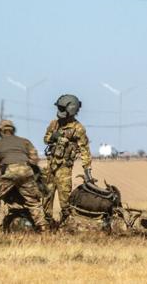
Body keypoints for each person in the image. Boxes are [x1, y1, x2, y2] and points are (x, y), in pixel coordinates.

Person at [0, 119, 49, 232]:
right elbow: (34, 159)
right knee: (33, 201)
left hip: (9, 172)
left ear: (0, 131)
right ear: (13, 130)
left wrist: (0, 179)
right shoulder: (24, 141)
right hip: (26, 170)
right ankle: (43, 228)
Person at [43, 94, 92, 224]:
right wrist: (53, 137)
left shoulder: (78, 128)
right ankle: (47, 226)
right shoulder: (54, 124)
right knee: (46, 197)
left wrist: (87, 171)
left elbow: (84, 150)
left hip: (64, 168)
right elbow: (45, 139)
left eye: (62, 108)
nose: (59, 111)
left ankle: (65, 226)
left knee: (65, 201)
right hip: (50, 166)